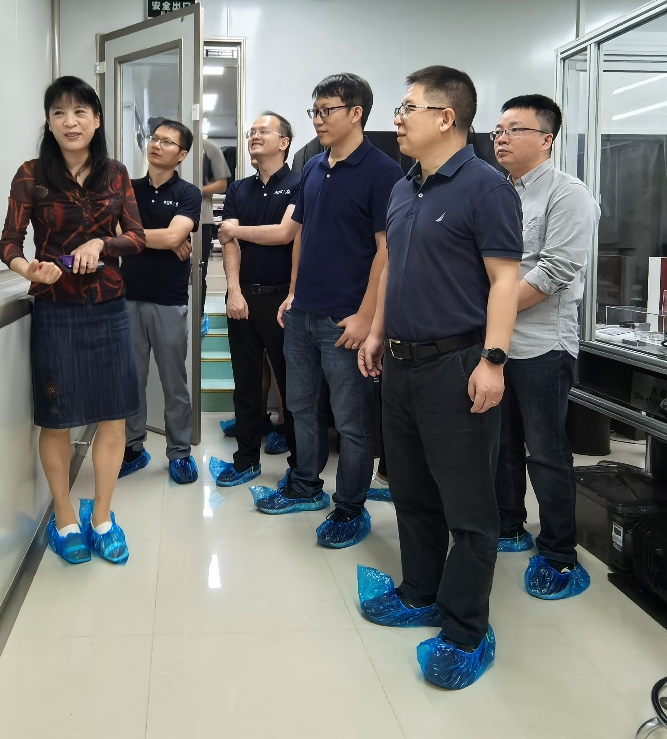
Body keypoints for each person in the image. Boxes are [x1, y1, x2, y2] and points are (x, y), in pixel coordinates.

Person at [356, 66, 522, 690]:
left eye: (407, 108)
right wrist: (374, 331)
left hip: (458, 365)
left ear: (446, 117)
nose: (397, 119)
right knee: (411, 492)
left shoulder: (485, 187)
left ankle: (465, 628)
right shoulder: (405, 187)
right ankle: (420, 591)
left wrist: (494, 360)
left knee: (469, 508)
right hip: (400, 363)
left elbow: (505, 279)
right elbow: (393, 265)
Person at [0, 75, 146, 567]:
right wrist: (28, 269)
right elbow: (8, 244)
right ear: (49, 121)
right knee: (57, 418)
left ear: (97, 119)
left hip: (107, 306)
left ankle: (101, 516)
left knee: (113, 415)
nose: (70, 121)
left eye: (80, 111)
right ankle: (64, 518)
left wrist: (102, 243)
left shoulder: (117, 174)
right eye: (59, 112)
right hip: (55, 309)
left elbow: (138, 238)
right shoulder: (30, 174)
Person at [252, 74, 402, 550]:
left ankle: (350, 507)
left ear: (356, 113)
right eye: (314, 111)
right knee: (300, 407)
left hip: (345, 320)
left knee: (352, 420)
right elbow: (299, 234)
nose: (317, 119)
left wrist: (365, 316)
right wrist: (293, 293)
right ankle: (304, 487)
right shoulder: (313, 168)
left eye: (326, 111)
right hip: (303, 315)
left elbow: (387, 253)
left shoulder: (384, 173)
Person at [492, 94, 599, 600]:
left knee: (547, 451)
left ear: (546, 139)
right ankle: (509, 525)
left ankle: (559, 552)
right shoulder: (498, 193)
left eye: (515, 130)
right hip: (498, 347)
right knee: (503, 445)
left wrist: (492, 312)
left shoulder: (568, 195)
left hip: (543, 348)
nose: (502, 138)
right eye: (498, 130)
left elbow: (554, 271)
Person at [213, 111, 301, 486]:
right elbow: (227, 241)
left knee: (294, 387)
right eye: (251, 132)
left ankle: (301, 470)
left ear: (284, 142)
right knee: (246, 384)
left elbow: (284, 235)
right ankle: (246, 459)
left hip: (286, 301)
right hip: (244, 298)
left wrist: (237, 229)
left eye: (263, 131)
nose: (254, 136)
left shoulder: (300, 183)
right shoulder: (238, 190)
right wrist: (233, 290)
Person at [118, 119, 203, 484]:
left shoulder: (188, 193)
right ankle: (133, 448)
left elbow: (171, 237)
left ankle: (180, 452)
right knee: (130, 380)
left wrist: (142, 236)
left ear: (181, 154)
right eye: (155, 138)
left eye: (167, 142)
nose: (157, 145)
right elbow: (114, 233)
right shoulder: (128, 189)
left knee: (174, 382)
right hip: (128, 296)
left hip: (169, 300)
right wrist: (163, 238)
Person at [198, 134, 232, 332]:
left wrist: (193, 190)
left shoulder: (209, 148)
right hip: (170, 221)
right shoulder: (170, 145)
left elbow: (222, 184)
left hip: (201, 220)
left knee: (199, 272)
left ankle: (199, 315)